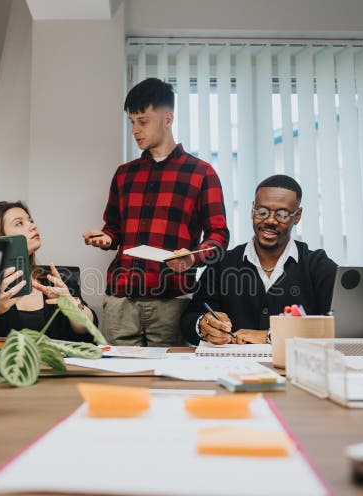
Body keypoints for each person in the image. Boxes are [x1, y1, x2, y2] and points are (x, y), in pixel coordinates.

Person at [82, 77, 230, 347]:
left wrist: (192, 258)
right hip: (120, 301)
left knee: (167, 382)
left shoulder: (201, 173)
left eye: (143, 121)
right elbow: (113, 228)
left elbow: (219, 236)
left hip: (172, 303)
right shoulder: (124, 174)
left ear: (168, 119)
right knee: (120, 381)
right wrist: (106, 238)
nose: (135, 130)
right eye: (131, 122)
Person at [180, 175, 337, 346]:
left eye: (282, 214)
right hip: (232, 368)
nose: (270, 220)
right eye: (262, 212)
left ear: (297, 215)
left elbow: (339, 325)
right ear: (252, 209)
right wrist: (203, 325)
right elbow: (189, 319)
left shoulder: (318, 265)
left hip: (293, 367)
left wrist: (272, 336)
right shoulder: (223, 264)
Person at [0, 201, 97, 341]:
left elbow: (87, 329)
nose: (33, 226)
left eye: (30, 221)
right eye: (19, 223)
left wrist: (72, 304)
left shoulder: (55, 279)